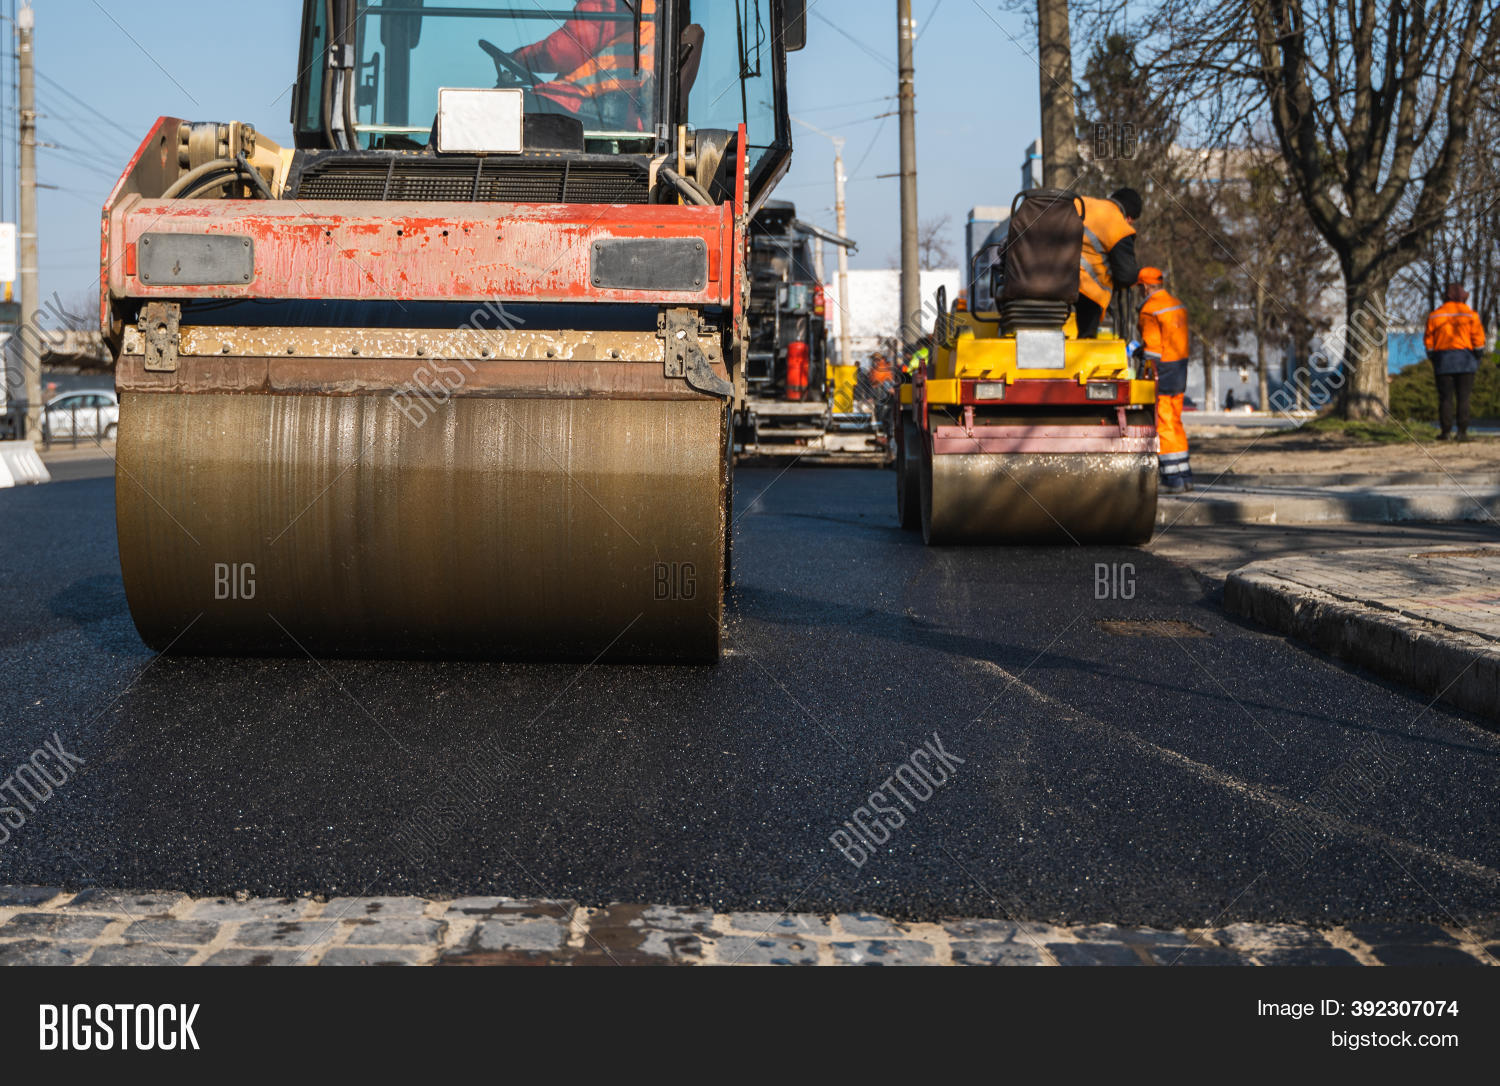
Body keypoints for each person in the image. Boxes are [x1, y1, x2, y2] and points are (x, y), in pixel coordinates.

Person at [510, 0, 655, 130]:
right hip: (629, 106)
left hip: (594, 100)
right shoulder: (651, 6)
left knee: (518, 111)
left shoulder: (607, 2)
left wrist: (518, 57)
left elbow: (559, 52)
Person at [1132, 266, 1193, 493]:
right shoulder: (1176, 304)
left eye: (1140, 288)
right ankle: (1184, 475)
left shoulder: (1150, 310)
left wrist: (1142, 373)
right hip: (1179, 366)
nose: (1140, 292)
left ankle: (1172, 479)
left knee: (1163, 421)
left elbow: (1154, 350)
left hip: (1163, 369)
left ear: (1146, 286)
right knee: (1175, 421)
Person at [1076, 187, 1142, 338]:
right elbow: (1127, 275)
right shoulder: (1118, 224)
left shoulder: (1080, 202)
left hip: (1041, 273)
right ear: (1129, 218)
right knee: (1091, 298)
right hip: (1084, 292)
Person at [1424, 283, 1486, 442]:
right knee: (1463, 397)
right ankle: (1462, 432)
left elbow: (1429, 340)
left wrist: (1433, 355)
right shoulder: (1470, 314)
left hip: (1443, 360)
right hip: (1465, 360)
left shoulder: (1435, 315)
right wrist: (1478, 355)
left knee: (1445, 398)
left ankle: (1445, 432)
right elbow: (1478, 339)